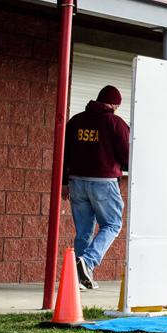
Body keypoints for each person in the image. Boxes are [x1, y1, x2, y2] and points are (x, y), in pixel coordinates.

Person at [62, 85, 130, 290]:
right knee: (112, 224)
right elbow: (128, 154)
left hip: (76, 182)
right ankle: (88, 262)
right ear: (114, 104)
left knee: (83, 231)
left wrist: (65, 182)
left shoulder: (76, 121)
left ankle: (80, 278)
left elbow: (65, 152)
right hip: (104, 183)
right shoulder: (115, 123)